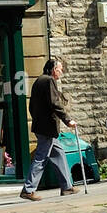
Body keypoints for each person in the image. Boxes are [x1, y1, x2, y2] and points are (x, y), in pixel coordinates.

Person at [24, 57, 78, 200]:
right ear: (54, 70)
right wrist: (68, 120)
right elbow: (55, 104)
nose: (61, 72)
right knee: (41, 158)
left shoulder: (38, 80)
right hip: (47, 128)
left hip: (41, 126)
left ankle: (67, 187)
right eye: (60, 69)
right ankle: (28, 189)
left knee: (59, 154)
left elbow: (31, 106)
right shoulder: (49, 81)